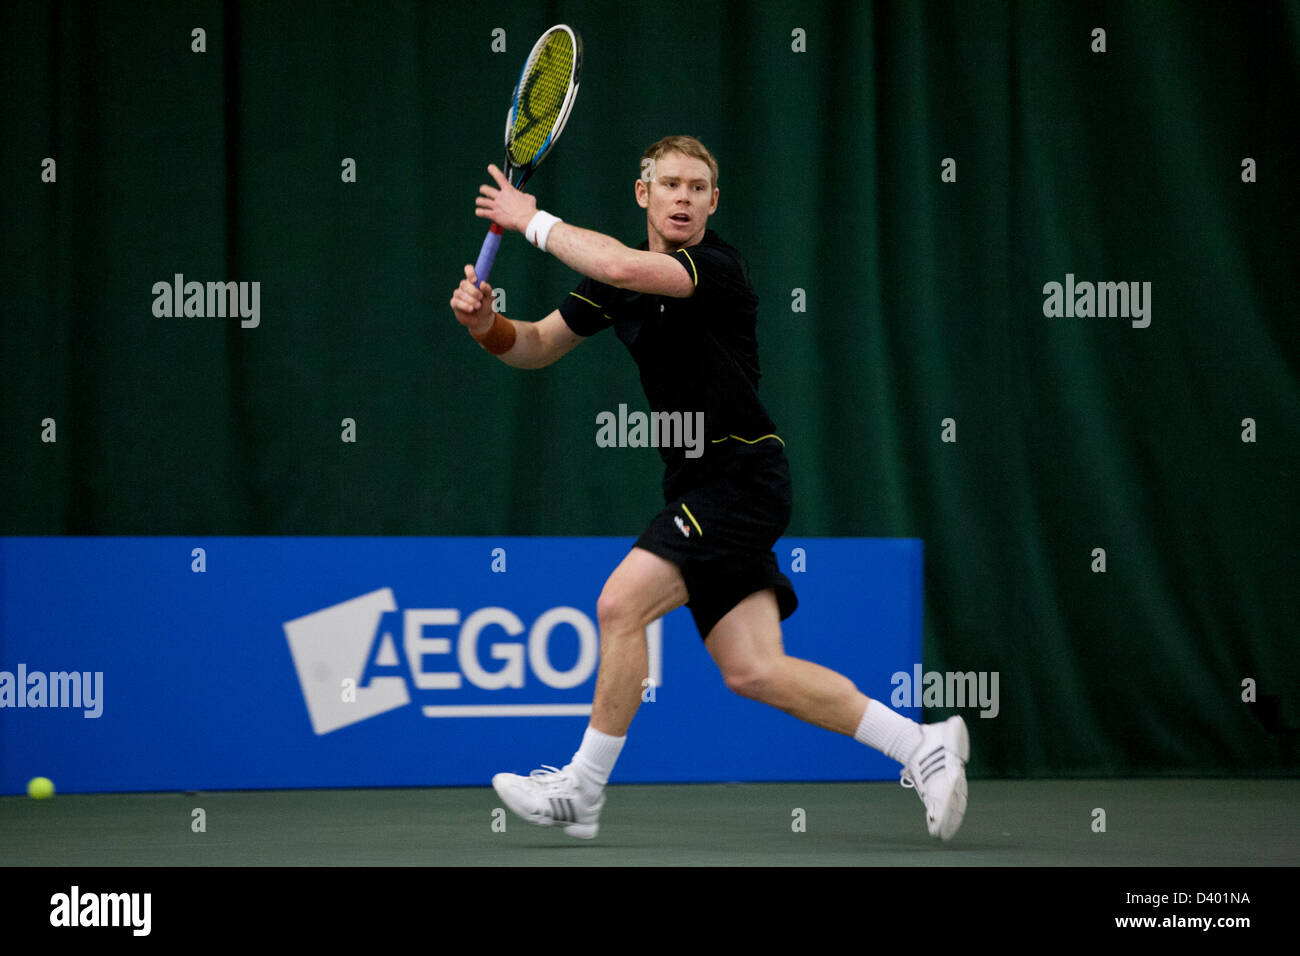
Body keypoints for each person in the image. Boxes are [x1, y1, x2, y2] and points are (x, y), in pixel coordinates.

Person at [449, 135, 969, 841]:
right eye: (671, 185)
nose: (684, 198)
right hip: (697, 486)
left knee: (618, 604)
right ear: (645, 194)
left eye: (698, 187)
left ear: (713, 202)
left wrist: (530, 220)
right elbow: (537, 343)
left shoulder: (715, 267)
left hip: (742, 474)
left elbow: (620, 261)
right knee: (755, 671)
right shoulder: (614, 282)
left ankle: (583, 788)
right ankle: (922, 745)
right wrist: (486, 327)